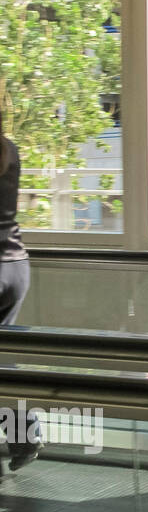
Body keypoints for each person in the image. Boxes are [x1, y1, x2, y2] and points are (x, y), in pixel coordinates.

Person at [0, 110, 41, 475]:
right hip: (15, 265)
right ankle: (24, 436)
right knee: (2, 359)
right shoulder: (8, 148)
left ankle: (25, 435)